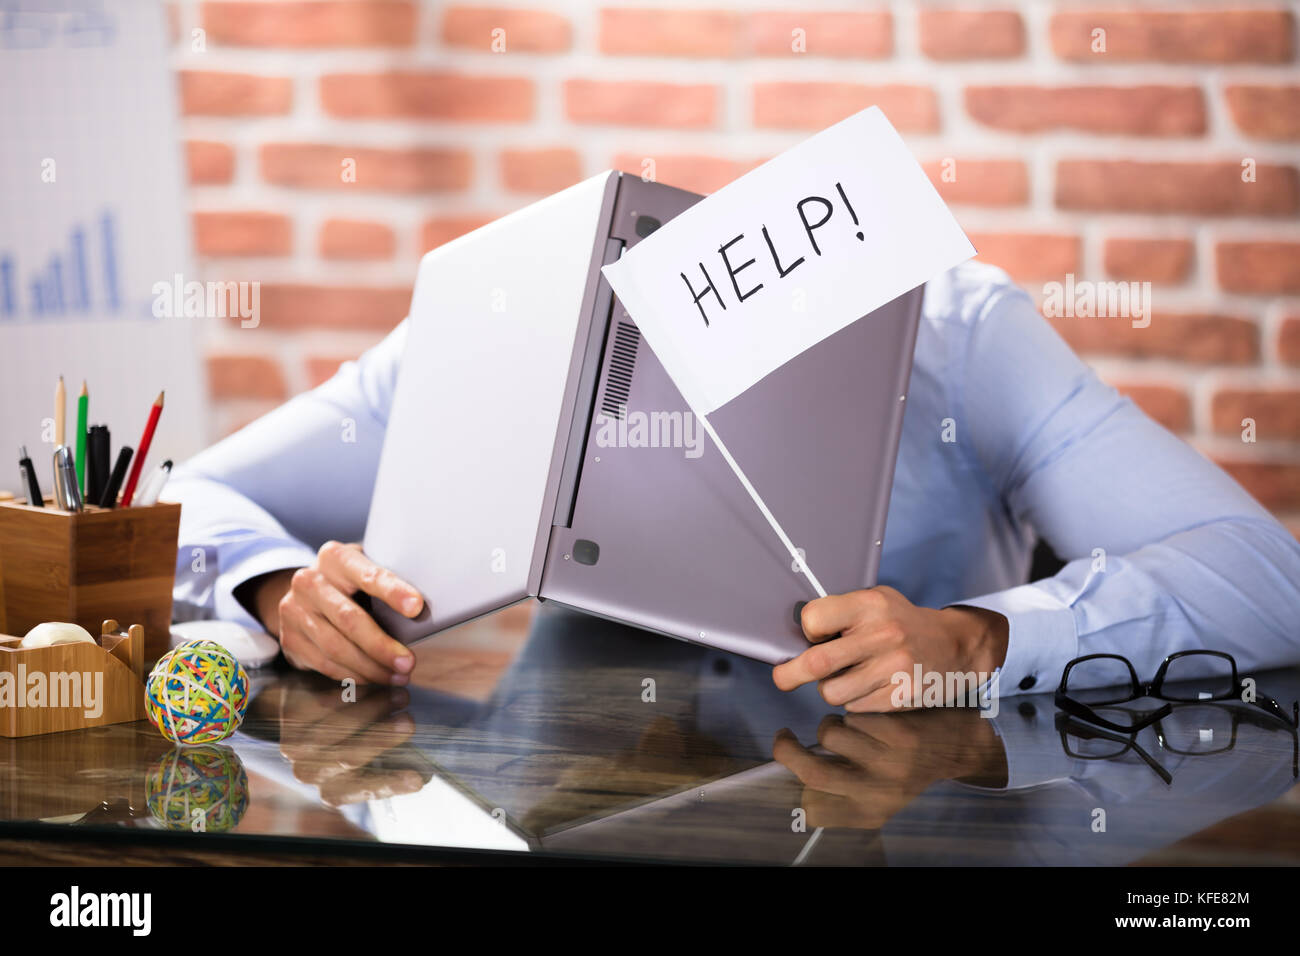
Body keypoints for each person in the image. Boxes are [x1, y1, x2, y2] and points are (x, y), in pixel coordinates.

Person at [169, 261, 1300, 708]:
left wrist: (978, 639)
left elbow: (1266, 577)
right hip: (575, 797)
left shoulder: (956, 335)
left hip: (911, 817)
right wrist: (276, 589)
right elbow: (177, 500)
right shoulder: (496, 333)